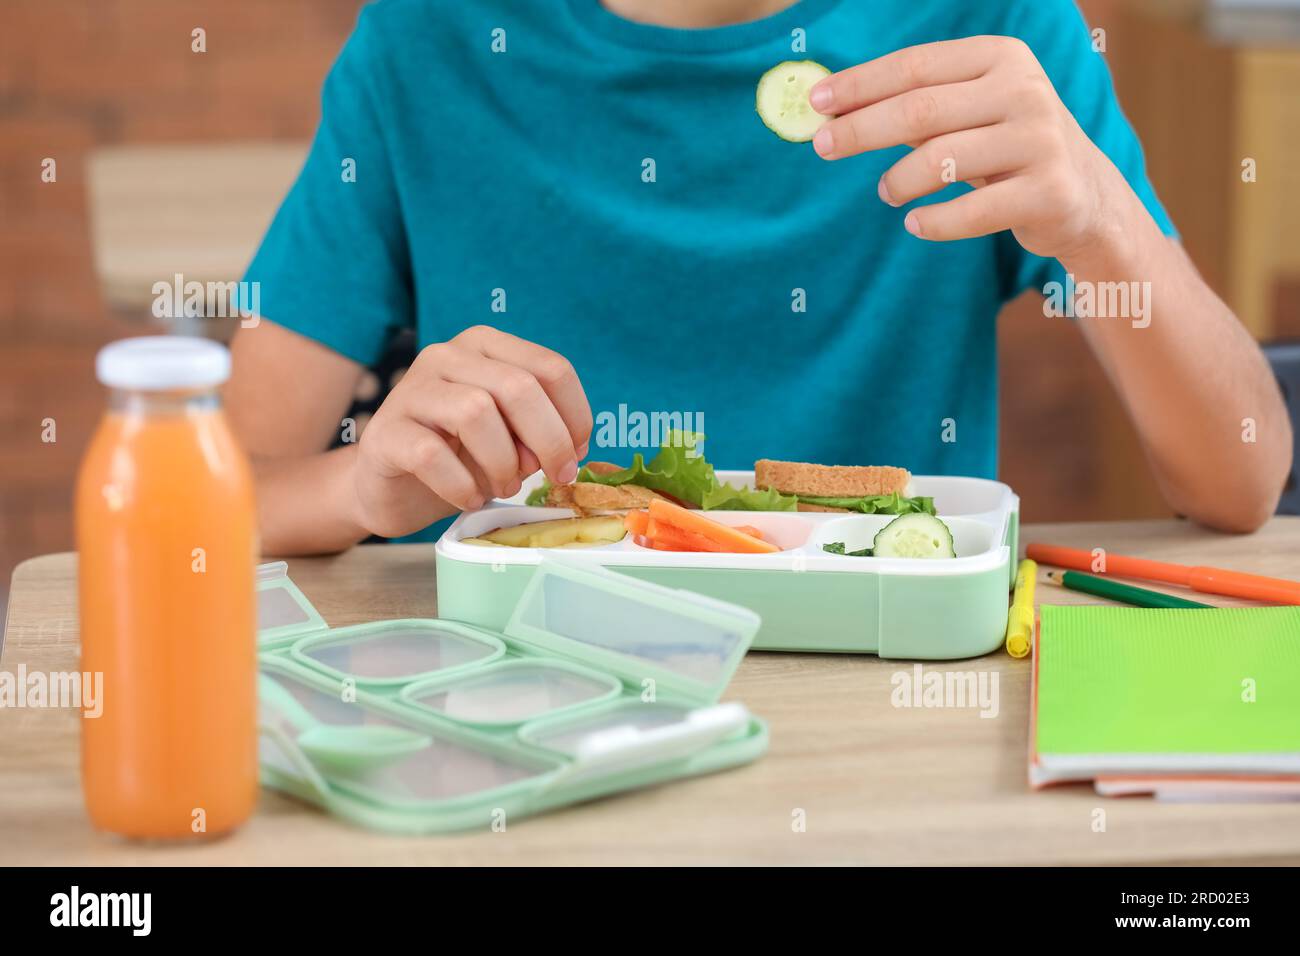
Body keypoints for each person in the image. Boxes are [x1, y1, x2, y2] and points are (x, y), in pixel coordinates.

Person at [226, 0, 1290, 555]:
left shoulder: (990, 22)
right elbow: (213, 500)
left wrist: (1104, 220)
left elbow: (1243, 480)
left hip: (875, 702)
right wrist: (360, 485)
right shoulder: (424, 40)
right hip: (512, 703)